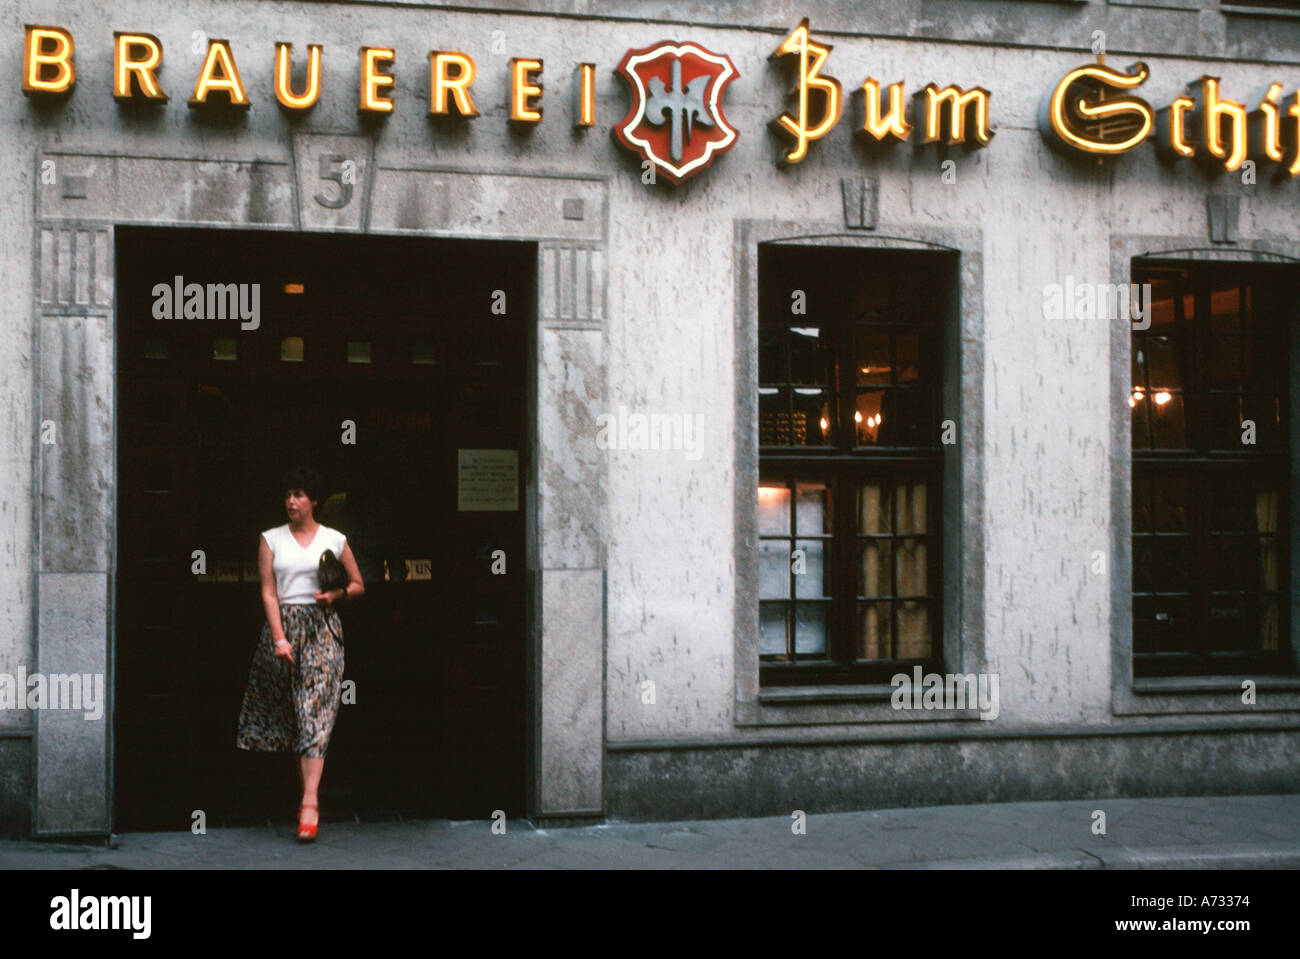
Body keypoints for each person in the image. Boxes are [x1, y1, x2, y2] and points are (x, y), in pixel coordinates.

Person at [235, 467, 364, 842]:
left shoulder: (335, 539)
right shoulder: (271, 539)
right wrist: (278, 638)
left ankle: (309, 802)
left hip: (323, 630)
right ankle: (308, 795)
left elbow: (358, 585)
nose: (291, 501)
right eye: (288, 495)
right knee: (297, 717)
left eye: (299, 495)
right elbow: (268, 592)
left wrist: (336, 596)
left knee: (315, 714)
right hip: (284, 630)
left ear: (314, 501)